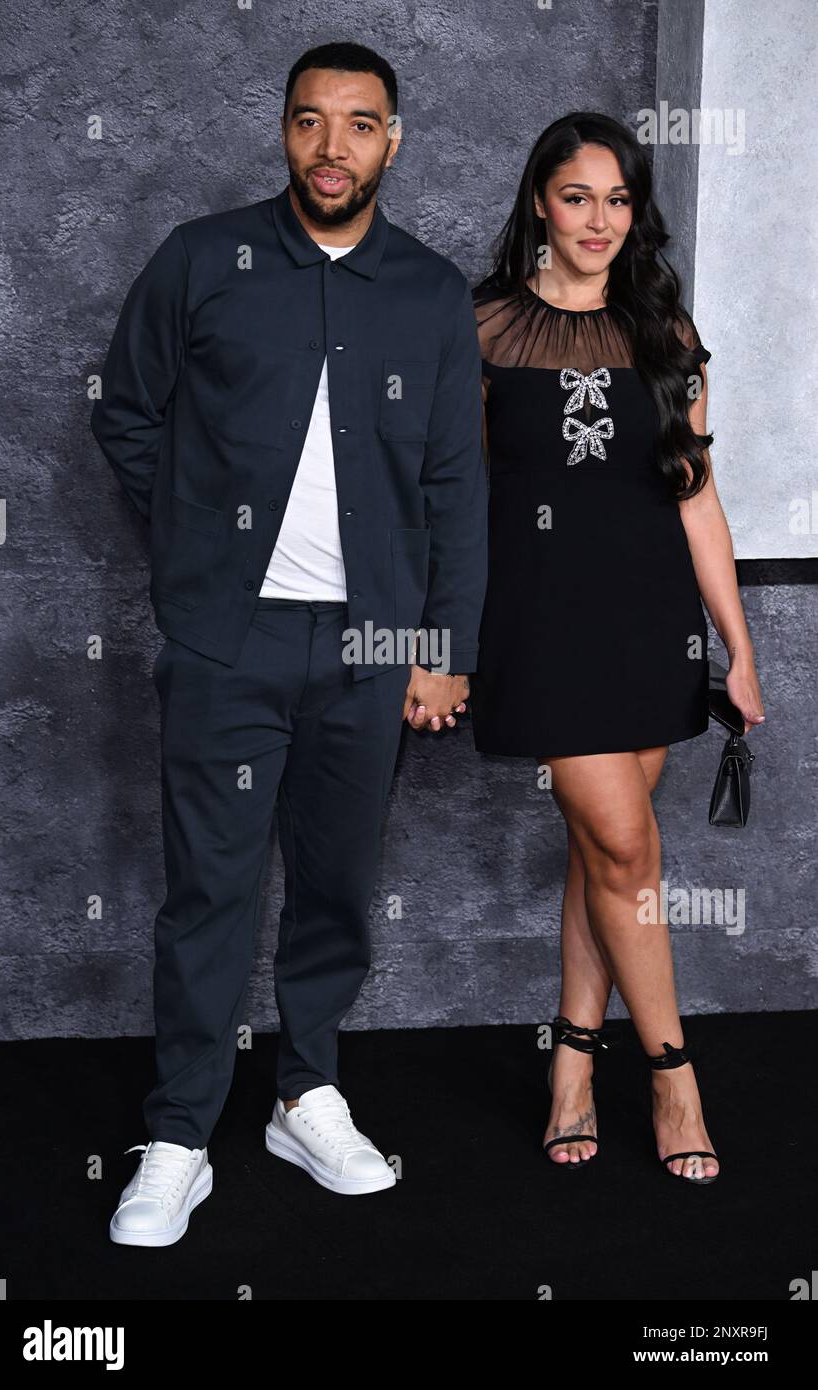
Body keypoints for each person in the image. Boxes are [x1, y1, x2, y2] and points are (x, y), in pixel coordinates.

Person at [91, 41, 487, 1246]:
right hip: (228, 638)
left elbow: (456, 483)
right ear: (282, 132)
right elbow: (126, 411)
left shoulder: (426, 291)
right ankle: (177, 1133)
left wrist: (441, 644)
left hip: (372, 643)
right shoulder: (206, 258)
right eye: (310, 122)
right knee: (208, 889)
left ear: (393, 141)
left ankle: (306, 1091)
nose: (332, 147)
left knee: (333, 884)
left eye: (359, 124)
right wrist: (200, 551)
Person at [469, 112, 765, 1185]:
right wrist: (432, 642)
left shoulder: (665, 334)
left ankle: (569, 1070)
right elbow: (442, 499)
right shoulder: (479, 327)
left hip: (647, 626)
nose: (597, 219)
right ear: (538, 203)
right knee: (628, 851)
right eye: (575, 196)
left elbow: (696, 499)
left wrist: (733, 645)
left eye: (617, 199)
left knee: (606, 852)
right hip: (536, 625)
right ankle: (671, 1070)